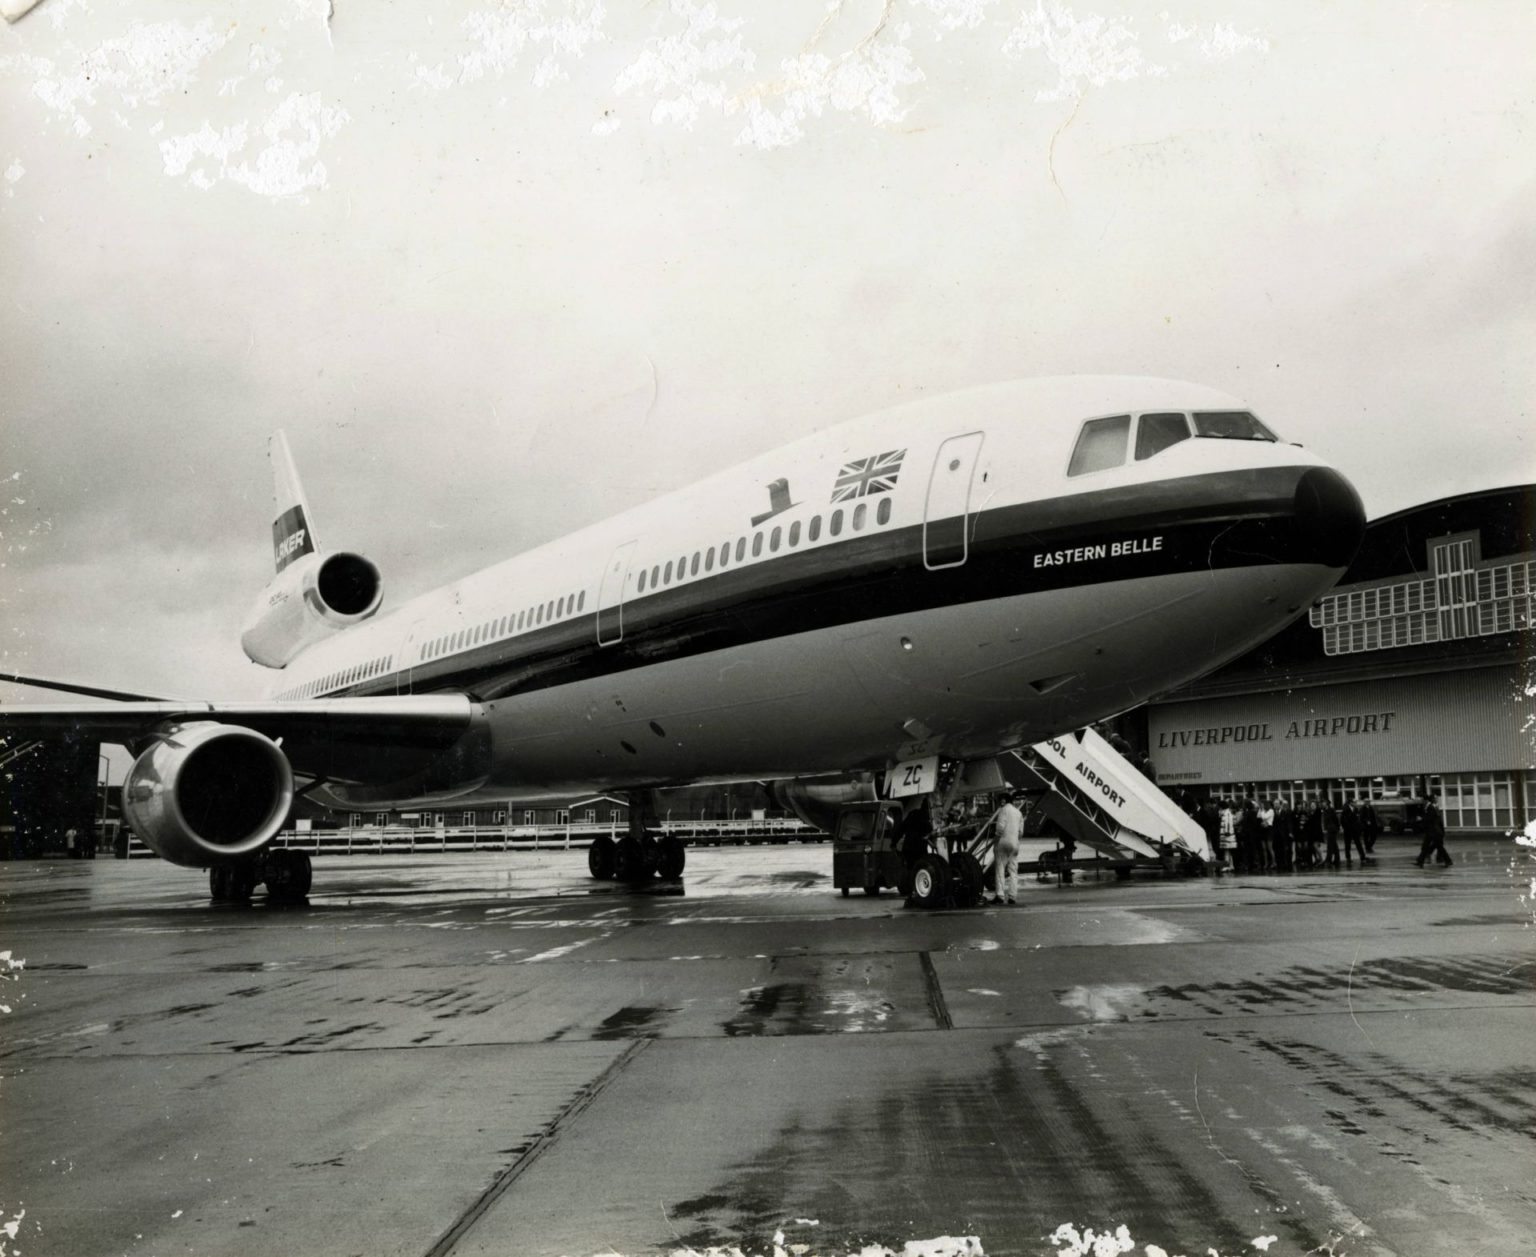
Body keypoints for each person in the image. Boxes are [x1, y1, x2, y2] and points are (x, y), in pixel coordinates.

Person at [986, 791, 1024, 904]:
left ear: (1003, 801)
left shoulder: (1003, 810)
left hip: (1003, 842)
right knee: (1013, 870)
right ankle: (1012, 896)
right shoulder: (1018, 812)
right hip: (1015, 843)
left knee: (1000, 868)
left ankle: (1000, 895)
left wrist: (995, 842)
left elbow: (1000, 828)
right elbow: (1021, 832)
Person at [1415, 795, 1452, 867]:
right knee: (1426, 846)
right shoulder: (1428, 807)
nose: (1422, 802)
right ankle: (1420, 861)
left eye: (1423, 801)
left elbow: (1430, 819)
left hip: (1433, 831)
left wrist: (1421, 819)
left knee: (1439, 847)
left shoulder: (1430, 808)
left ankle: (1448, 860)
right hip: (1430, 831)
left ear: (1426, 801)